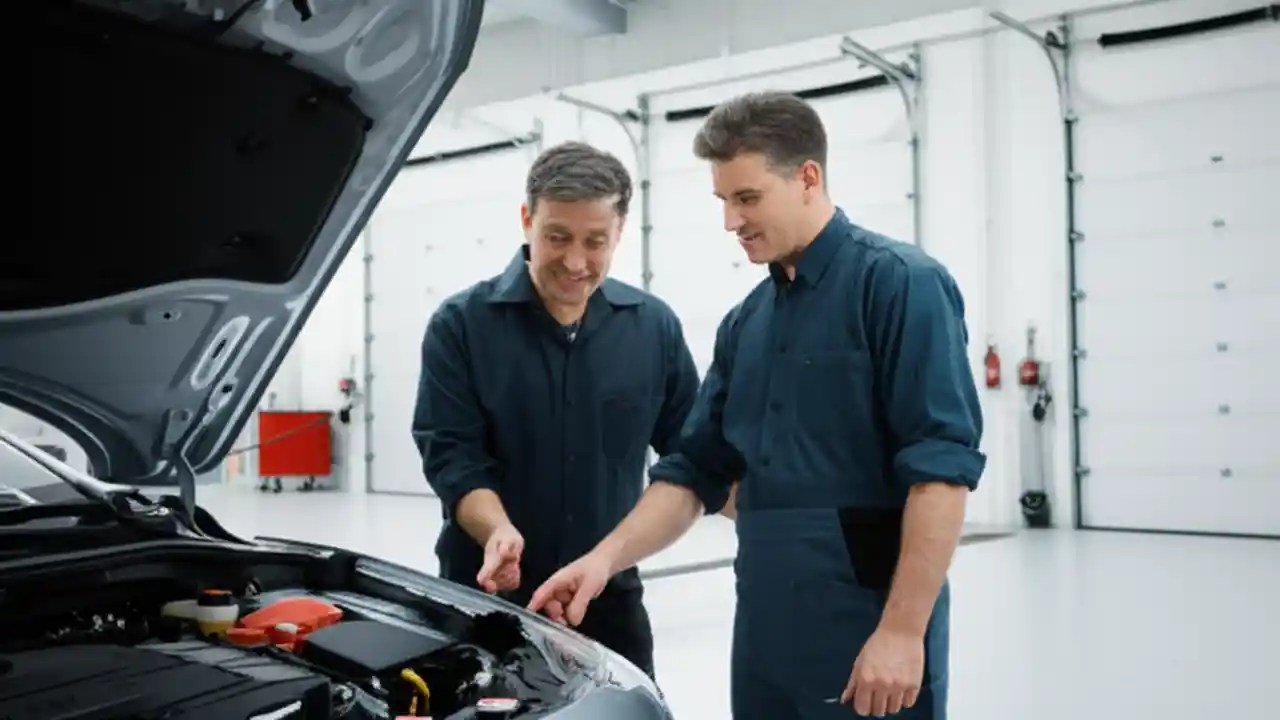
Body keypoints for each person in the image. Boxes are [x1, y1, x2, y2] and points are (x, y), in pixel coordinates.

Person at [527, 92, 985, 718]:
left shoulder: (901, 285)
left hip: (867, 631)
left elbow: (940, 472)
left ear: (807, 178)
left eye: (747, 198)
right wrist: (602, 562)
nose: (730, 221)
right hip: (766, 633)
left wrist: (903, 632)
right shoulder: (748, 322)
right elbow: (691, 471)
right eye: (723, 201)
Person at [410, 141, 700, 679]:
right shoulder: (460, 326)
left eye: (595, 242)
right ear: (527, 220)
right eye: (557, 237)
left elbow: (689, 461)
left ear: (619, 233)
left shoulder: (653, 328)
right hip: (488, 593)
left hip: (607, 597)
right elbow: (453, 457)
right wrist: (496, 530)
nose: (574, 261)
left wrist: (610, 556)